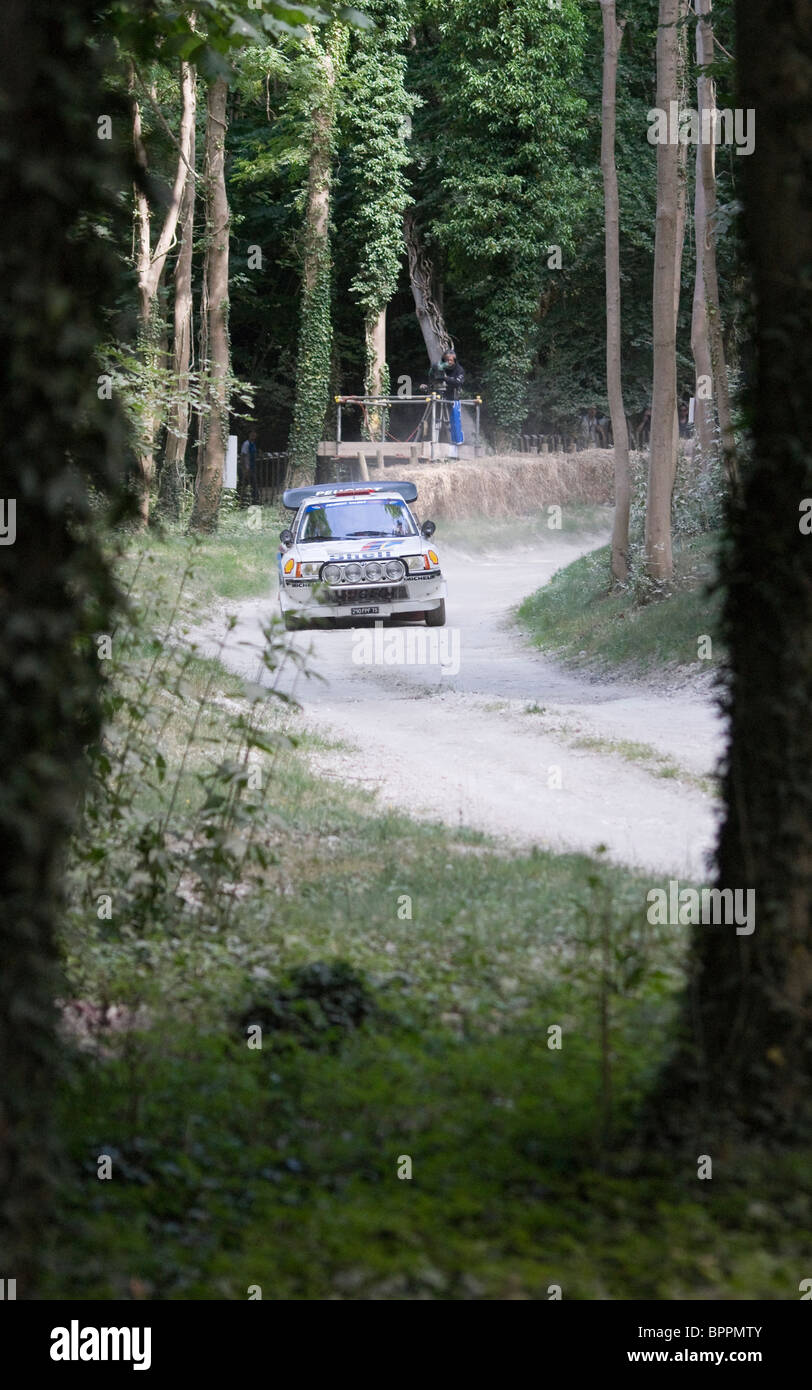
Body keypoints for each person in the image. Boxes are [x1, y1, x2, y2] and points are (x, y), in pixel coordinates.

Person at [239, 429, 259, 506]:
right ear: (249, 435)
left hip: (252, 467)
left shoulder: (253, 444)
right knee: (245, 485)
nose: (254, 435)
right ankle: (242, 502)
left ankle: (253, 501)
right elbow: (243, 456)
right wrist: (245, 468)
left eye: (255, 434)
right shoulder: (246, 444)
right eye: (252, 434)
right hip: (247, 468)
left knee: (253, 484)